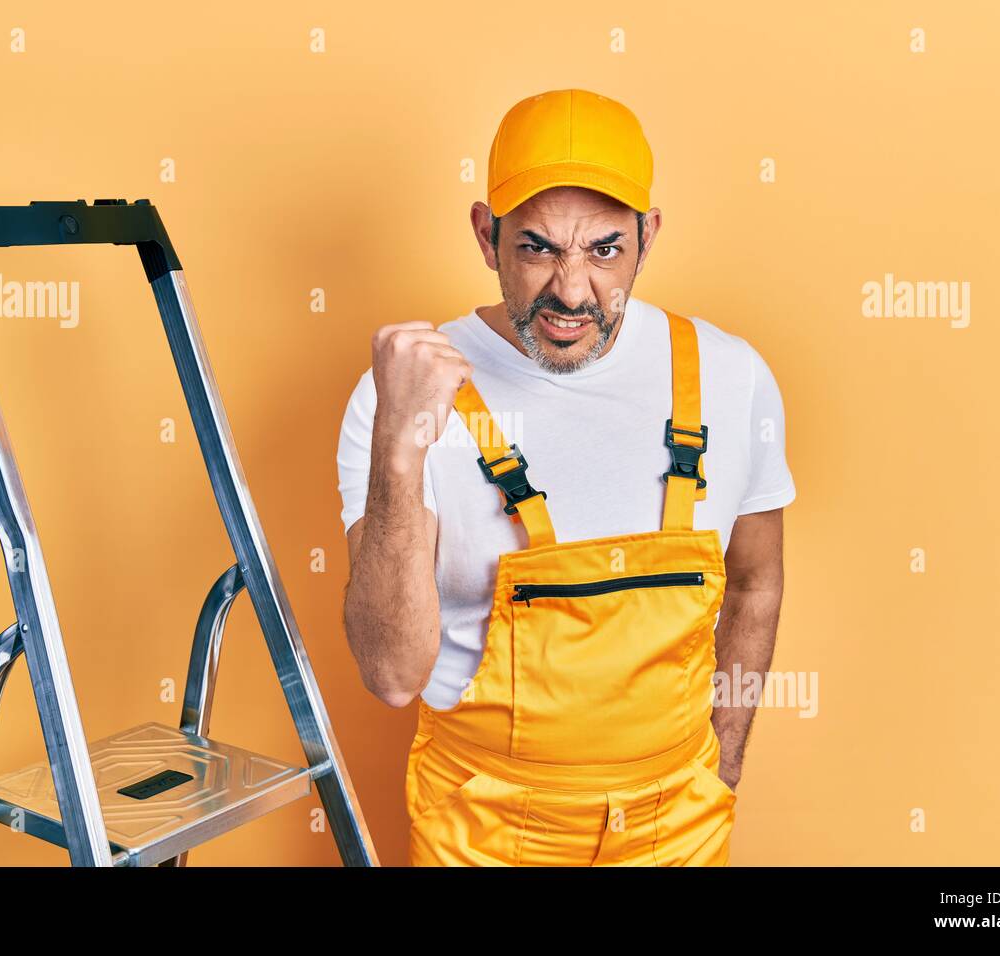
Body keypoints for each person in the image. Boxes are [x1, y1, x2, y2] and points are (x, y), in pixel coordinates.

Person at [336, 89, 795, 866]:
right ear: (486, 235)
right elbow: (390, 673)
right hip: (483, 835)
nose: (572, 292)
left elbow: (755, 583)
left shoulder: (732, 377)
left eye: (605, 251)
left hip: (679, 829)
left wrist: (724, 766)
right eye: (538, 248)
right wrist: (400, 449)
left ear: (648, 236)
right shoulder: (403, 391)